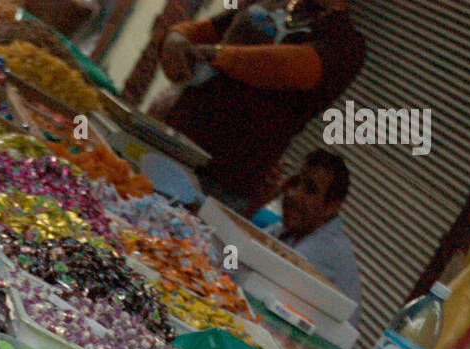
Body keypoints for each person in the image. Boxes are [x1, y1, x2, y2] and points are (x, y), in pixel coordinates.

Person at [157, 0, 366, 214]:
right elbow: (203, 30)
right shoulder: (269, 3)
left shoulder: (346, 46)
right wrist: (175, 38)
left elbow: (284, 66)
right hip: (171, 143)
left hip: (221, 182)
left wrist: (216, 54)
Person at [273, 149, 362, 322]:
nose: (292, 194)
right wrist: (261, 201)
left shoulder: (324, 250)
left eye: (310, 190)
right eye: (295, 183)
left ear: (331, 207)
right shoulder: (295, 230)